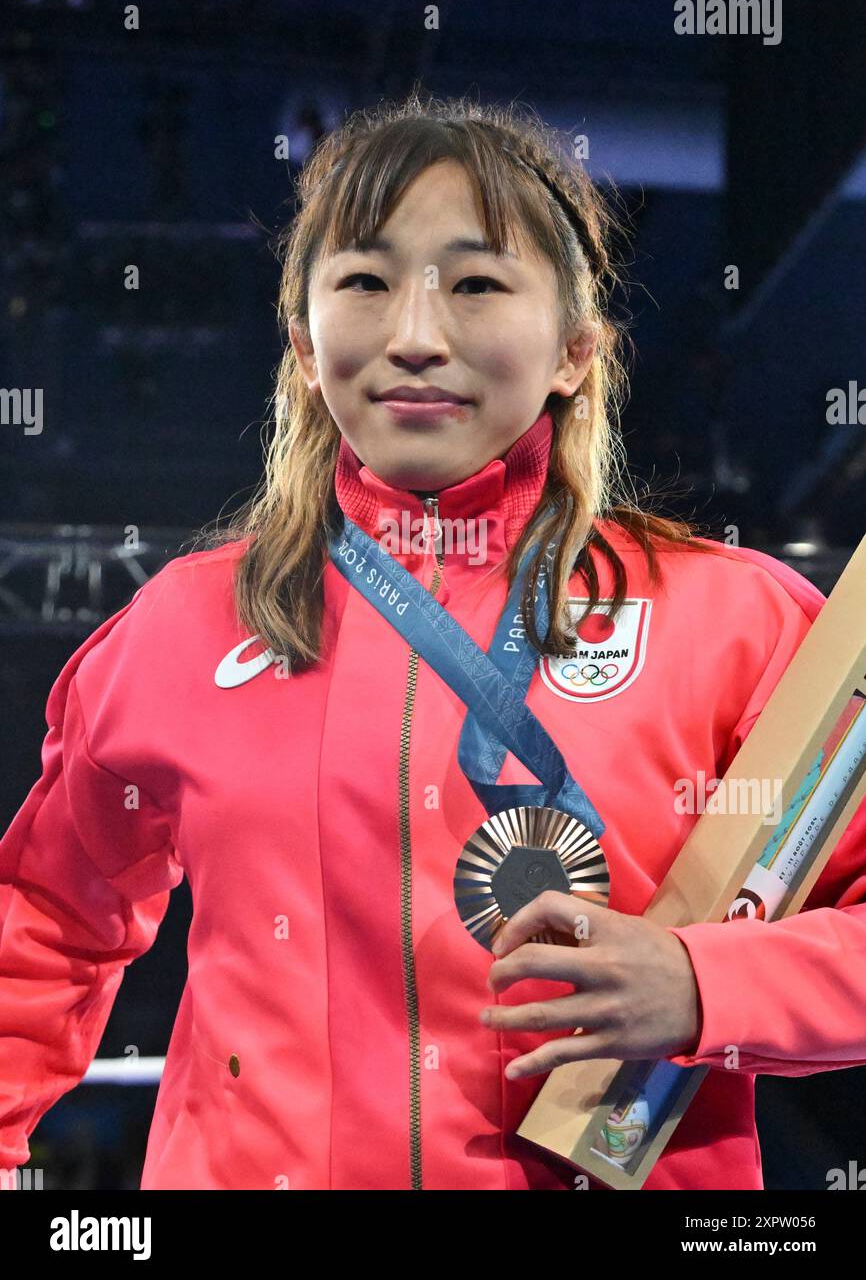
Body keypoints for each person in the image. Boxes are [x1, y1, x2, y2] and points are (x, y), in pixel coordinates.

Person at [1, 91, 864, 1192]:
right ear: (306, 347)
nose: (414, 334)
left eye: (475, 283)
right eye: (363, 281)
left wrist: (704, 985)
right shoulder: (183, 626)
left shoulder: (732, 622)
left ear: (574, 351)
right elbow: (43, 926)